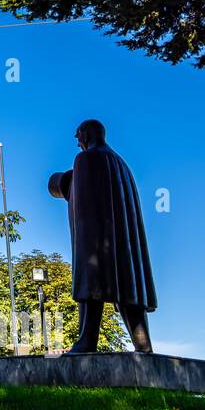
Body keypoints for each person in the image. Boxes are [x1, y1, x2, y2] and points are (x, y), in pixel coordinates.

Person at [49, 119, 156, 354]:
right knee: (129, 288)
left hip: (96, 238)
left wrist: (63, 183)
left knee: (91, 284)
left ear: (86, 135)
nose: (78, 143)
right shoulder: (121, 164)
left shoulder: (86, 159)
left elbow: (82, 202)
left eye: (78, 137)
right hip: (123, 242)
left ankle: (87, 341)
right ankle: (143, 345)